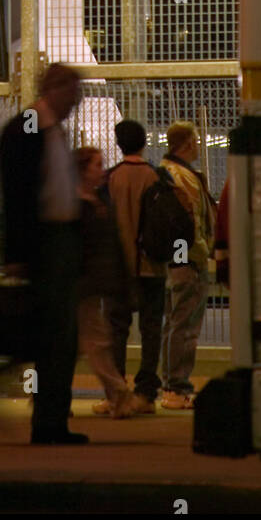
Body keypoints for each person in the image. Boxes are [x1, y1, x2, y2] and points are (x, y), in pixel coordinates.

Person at [0, 62, 86, 445]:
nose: (76, 103)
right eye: (73, 94)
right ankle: (49, 423)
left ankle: (51, 418)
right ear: (55, 88)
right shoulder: (31, 128)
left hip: (56, 241)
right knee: (57, 336)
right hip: (46, 244)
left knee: (58, 335)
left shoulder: (48, 129)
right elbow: (17, 195)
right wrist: (17, 251)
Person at [103, 118, 166, 413]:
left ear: (119, 144)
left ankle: (116, 393)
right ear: (143, 142)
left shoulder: (109, 178)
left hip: (118, 268)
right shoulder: (157, 177)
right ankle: (146, 394)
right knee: (152, 329)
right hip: (152, 265)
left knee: (116, 330)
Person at [159, 120, 217, 411]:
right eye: (196, 139)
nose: (198, 144)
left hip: (170, 261)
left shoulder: (165, 172)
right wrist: (200, 255)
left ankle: (170, 384)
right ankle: (176, 388)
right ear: (187, 143)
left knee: (172, 324)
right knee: (184, 327)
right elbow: (192, 222)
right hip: (188, 261)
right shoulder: (184, 177)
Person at [74, 147, 135, 418]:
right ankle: (119, 393)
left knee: (74, 343)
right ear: (82, 169)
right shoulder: (78, 204)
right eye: (96, 164)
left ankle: (45, 396)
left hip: (89, 284)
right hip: (81, 285)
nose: (102, 169)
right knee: (98, 342)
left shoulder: (96, 200)